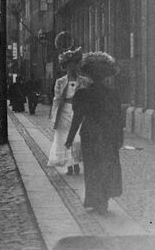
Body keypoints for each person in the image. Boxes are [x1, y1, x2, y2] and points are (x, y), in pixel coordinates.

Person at [65, 52, 124, 214]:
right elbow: (119, 118)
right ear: (106, 75)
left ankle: (94, 199)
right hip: (108, 134)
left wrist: (70, 138)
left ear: (88, 74)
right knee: (106, 166)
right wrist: (120, 138)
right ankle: (103, 200)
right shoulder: (113, 94)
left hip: (90, 134)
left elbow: (77, 118)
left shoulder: (83, 94)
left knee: (92, 167)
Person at [48, 45, 85, 175]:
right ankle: (70, 166)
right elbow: (56, 99)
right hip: (64, 112)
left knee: (77, 138)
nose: (72, 68)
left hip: (78, 112)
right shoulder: (60, 82)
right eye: (69, 65)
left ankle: (76, 164)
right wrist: (54, 116)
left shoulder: (83, 81)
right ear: (66, 67)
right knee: (65, 138)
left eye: (74, 65)